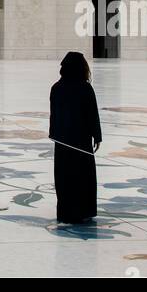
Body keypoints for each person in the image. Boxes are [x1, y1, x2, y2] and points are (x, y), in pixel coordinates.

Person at [48, 50, 101, 224]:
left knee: (65, 177)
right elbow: (93, 114)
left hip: (63, 141)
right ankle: (83, 210)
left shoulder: (57, 87)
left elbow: (53, 115)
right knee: (82, 176)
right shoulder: (85, 88)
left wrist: (54, 134)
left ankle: (65, 211)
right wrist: (97, 136)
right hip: (81, 140)